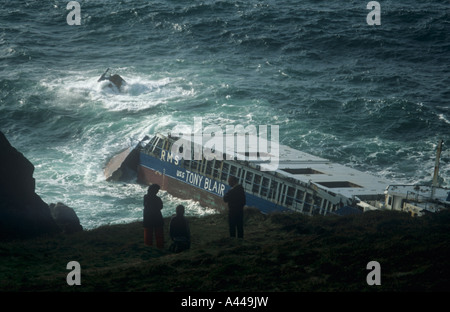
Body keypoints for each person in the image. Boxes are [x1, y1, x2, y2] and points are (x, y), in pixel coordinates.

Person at [143, 184, 164, 249]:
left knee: (148, 234)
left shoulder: (146, 197)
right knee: (159, 234)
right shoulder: (157, 199)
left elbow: (146, 206)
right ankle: (160, 246)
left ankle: (148, 246)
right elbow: (161, 207)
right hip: (157, 217)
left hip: (148, 218)